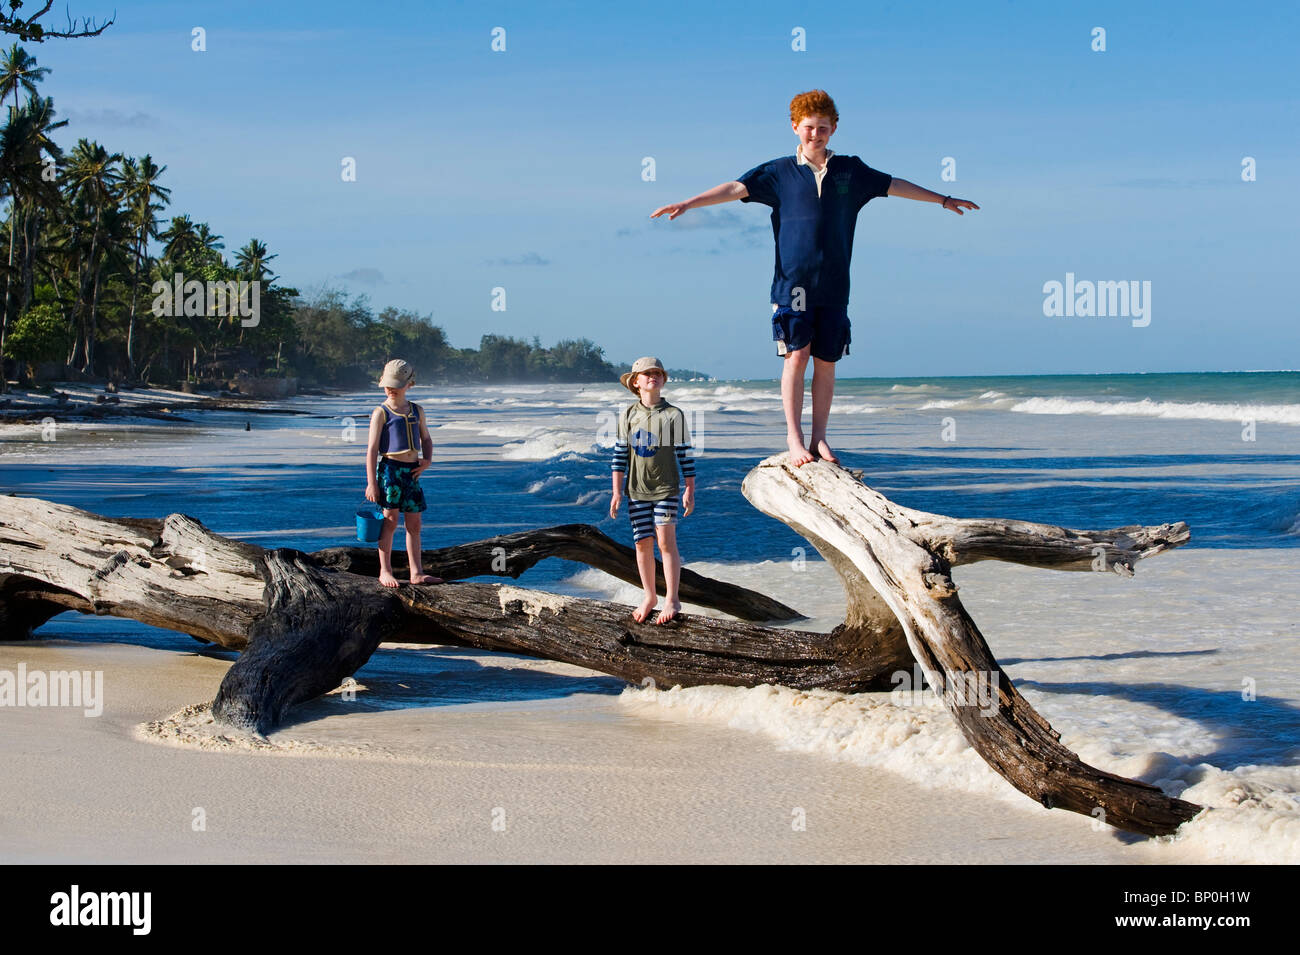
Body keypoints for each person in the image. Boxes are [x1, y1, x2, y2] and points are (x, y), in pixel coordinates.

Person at [651, 89, 979, 466]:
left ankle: (820, 439)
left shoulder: (851, 172)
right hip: (793, 284)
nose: (815, 134)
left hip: (835, 284)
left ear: (833, 129)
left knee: (827, 360)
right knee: (797, 354)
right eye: (809, 128)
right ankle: (794, 438)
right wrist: (689, 203)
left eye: (823, 128)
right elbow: (734, 188)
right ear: (795, 127)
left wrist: (942, 199)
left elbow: (895, 185)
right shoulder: (778, 173)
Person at [609, 356, 695, 624]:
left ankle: (672, 598)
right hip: (636, 491)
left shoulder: (673, 414)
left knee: (665, 542)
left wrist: (689, 489)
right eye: (647, 374)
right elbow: (619, 455)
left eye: (657, 373)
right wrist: (616, 492)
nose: (653, 377)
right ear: (636, 382)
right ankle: (649, 596)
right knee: (642, 543)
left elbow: (685, 455)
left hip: (666, 489)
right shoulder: (628, 414)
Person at [365, 358, 442, 588]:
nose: (391, 389)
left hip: (412, 471)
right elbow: (371, 449)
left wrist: (427, 461)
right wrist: (371, 483)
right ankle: (385, 571)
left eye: (396, 384)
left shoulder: (417, 410)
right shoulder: (381, 412)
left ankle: (416, 572)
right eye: (388, 384)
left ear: (409, 384)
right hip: (390, 470)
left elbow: (426, 439)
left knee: (414, 524)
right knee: (389, 521)